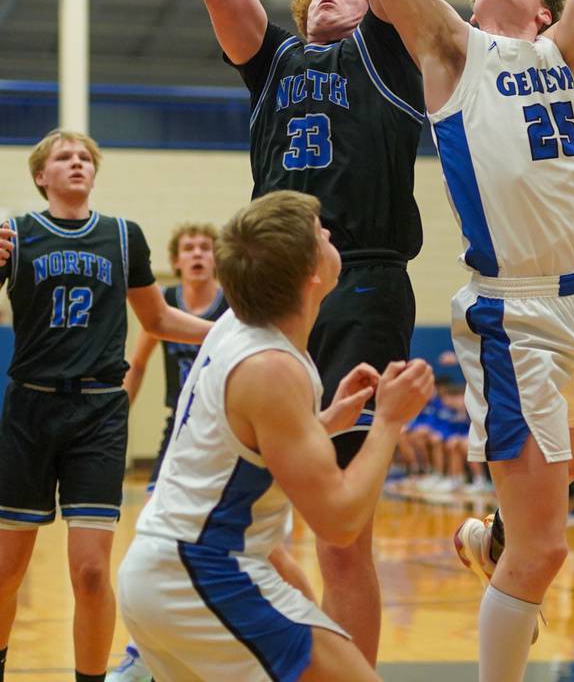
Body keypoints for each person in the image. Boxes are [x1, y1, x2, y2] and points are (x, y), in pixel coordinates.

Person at [256, 0, 574, 681]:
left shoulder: (562, 53)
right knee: (549, 552)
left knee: (534, 532)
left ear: (543, 6)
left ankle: (489, 543)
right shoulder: (451, 47)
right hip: (517, 314)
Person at [194, 0, 425, 663]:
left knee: (342, 532)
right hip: (271, 295)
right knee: (248, 512)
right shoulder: (275, 63)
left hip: (361, 286)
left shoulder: (387, 55)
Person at [117, 190, 434, 682]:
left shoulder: (237, 329)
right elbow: (340, 522)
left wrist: (327, 421)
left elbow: (244, 445)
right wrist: (389, 420)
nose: (330, 234)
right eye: (320, 235)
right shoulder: (273, 366)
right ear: (312, 274)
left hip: (170, 570)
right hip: (203, 577)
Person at [0, 130, 212, 682]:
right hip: (30, 409)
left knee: (93, 572)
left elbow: (159, 320)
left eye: (85, 158)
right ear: (41, 176)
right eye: (63, 157)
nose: (77, 163)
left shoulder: (123, 237)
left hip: (98, 412)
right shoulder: (15, 236)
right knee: (4, 572)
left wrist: (230, 331)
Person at [108, 222, 229, 682]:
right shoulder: (165, 306)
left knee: (232, 546)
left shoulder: (232, 303)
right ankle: (142, 652)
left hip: (225, 433)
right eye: (188, 248)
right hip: (178, 432)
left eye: (205, 246)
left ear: (216, 258)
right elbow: (136, 365)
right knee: (157, 537)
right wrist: (114, 419)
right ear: (175, 261)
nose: (198, 254)